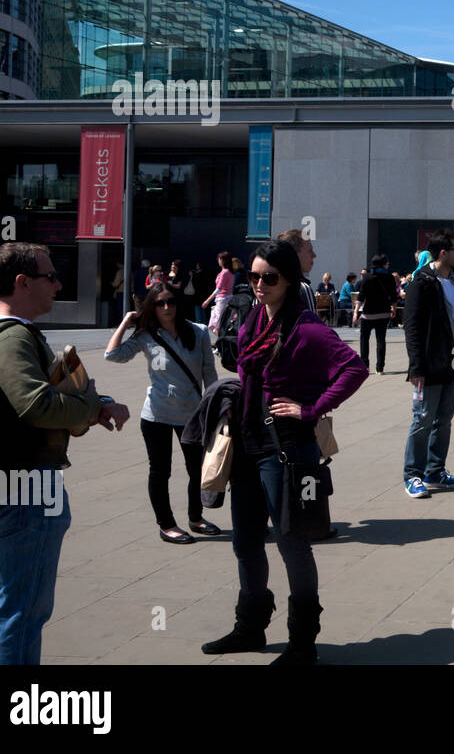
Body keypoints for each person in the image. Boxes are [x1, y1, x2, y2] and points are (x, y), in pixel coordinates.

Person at [0, 242, 131, 665]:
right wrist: (94, 408)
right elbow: (37, 405)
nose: (57, 284)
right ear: (22, 282)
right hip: (24, 490)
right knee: (21, 613)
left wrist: (96, 403)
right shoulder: (14, 338)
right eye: (49, 276)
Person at [200, 240, 365, 665]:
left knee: (293, 543)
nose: (259, 284)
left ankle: (302, 642)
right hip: (249, 444)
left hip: (286, 449)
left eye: (268, 277)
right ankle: (250, 627)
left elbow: (354, 367)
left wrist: (311, 408)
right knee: (246, 542)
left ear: (289, 280)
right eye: (253, 276)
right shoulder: (254, 320)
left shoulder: (306, 327)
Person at [105, 284, 220, 543]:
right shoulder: (146, 336)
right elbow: (112, 355)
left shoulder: (198, 332)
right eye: (159, 303)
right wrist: (125, 321)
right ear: (151, 307)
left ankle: (196, 518)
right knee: (160, 471)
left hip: (191, 414)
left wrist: (214, 408)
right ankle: (166, 524)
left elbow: (209, 373)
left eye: (171, 302)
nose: (167, 308)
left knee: (197, 469)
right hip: (156, 415)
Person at [402, 229, 454, 499]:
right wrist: (416, 367)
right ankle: (413, 476)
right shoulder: (422, 282)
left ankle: (435, 470)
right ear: (443, 253)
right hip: (430, 365)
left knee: (443, 420)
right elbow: (412, 327)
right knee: (422, 419)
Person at [356, 254, 397, 373]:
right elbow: (393, 296)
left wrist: (355, 311)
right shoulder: (389, 277)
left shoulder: (367, 277)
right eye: (387, 263)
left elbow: (361, 296)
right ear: (383, 264)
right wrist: (393, 309)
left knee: (364, 339)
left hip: (368, 314)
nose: (388, 265)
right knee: (381, 340)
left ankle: (365, 366)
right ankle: (380, 368)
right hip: (383, 313)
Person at [278, 229, 318, 314]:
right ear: (294, 254)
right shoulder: (302, 288)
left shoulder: (267, 285)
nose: (314, 255)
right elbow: (311, 326)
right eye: (310, 251)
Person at [204, 251, 235, 336]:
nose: (218, 260)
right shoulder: (230, 272)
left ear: (223, 260)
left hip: (222, 299)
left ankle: (217, 343)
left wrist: (207, 301)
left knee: (217, 321)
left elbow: (218, 289)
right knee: (218, 320)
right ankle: (216, 342)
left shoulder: (224, 273)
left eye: (219, 258)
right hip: (224, 299)